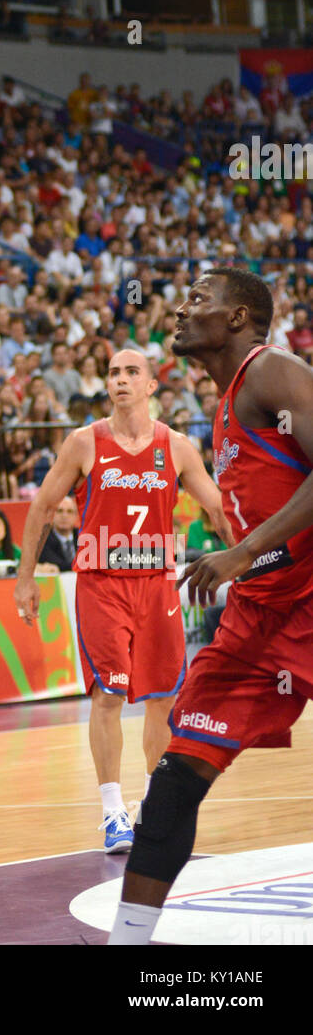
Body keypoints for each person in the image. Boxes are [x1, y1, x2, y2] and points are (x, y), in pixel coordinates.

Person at [109, 271, 313, 943]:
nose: (180, 309)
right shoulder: (224, 407)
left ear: (240, 318)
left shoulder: (273, 373)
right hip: (260, 617)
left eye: (199, 299)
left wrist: (243, 550)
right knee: (174, 776)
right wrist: (249, 561)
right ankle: (130, 940)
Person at [15, 348, 233, 856]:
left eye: (132, 372)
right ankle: (113, 812)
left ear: (152, 385)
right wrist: (25, 577)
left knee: (163, 698)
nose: (120, 380)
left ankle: (154, 805)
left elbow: (219, 507)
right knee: (108, 695)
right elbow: (45, 505)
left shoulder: (176, 447)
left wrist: (244, 559)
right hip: (102, 582)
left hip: (158, 584)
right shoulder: (83, 442)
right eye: (113, 372)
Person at [36, 495, 80, 572]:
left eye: (69, 511)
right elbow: (57, 564)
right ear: (51, 515)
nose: (64, 516)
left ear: (76, 516)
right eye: (59, 511)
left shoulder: (83, 536)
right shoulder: (43, 539)